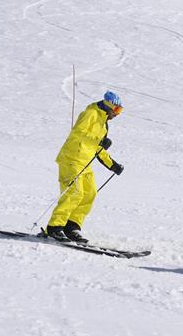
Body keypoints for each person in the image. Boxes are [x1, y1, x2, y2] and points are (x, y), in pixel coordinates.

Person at [46, 91, 124, 243]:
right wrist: (98, 141)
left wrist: (112, 165)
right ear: (108, 106)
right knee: (75, 192)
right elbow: (78, 133)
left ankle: (71, 227)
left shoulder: (103, 123)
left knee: (90, 193)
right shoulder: (90, 114)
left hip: (84, 163)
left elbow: (97, 148)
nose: (117, 114)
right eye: (116, 110)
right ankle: (54, 227)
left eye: (120, 111)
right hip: (71, 159)